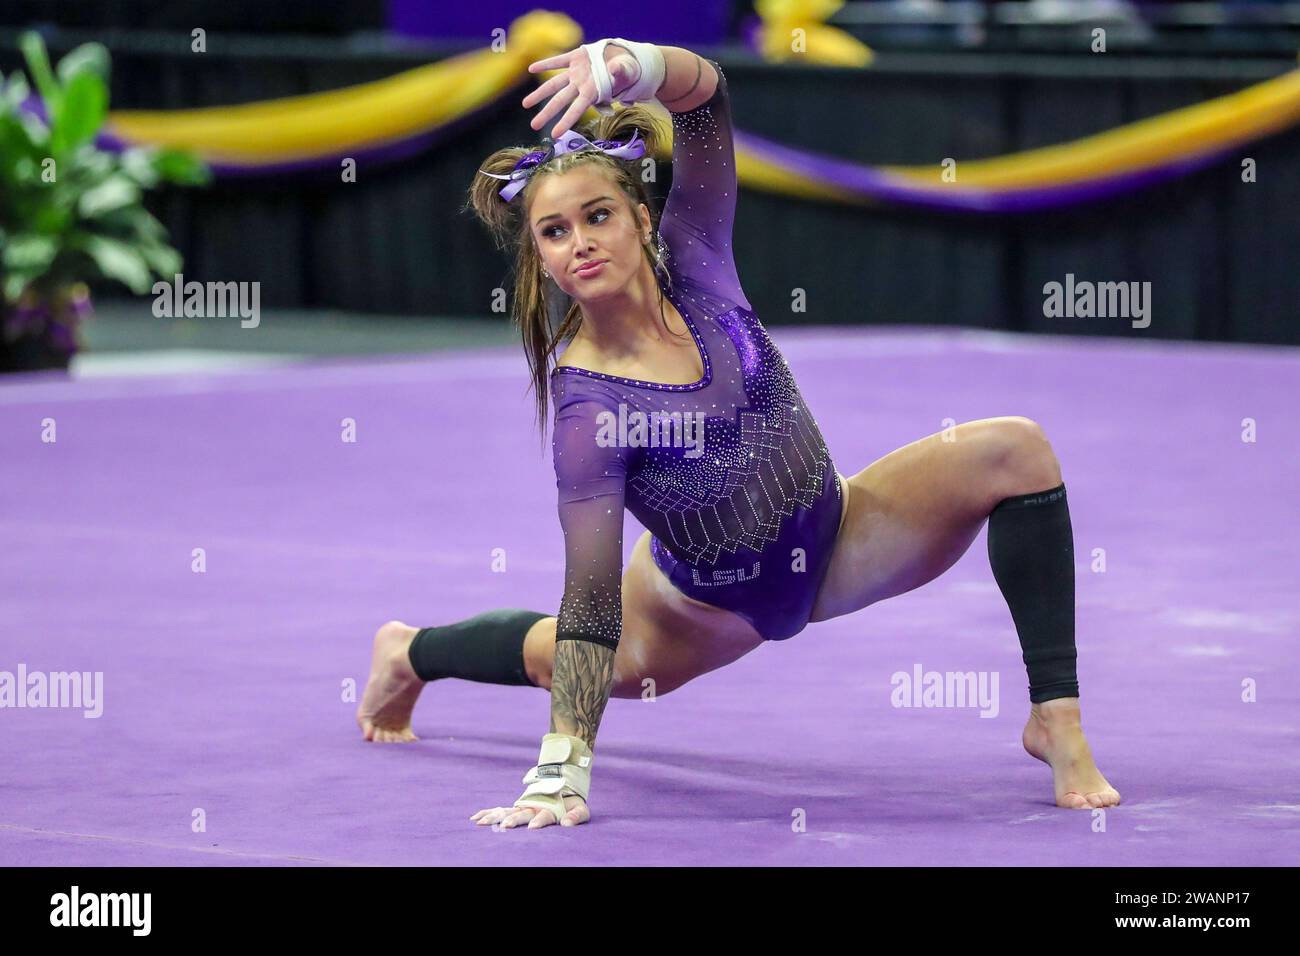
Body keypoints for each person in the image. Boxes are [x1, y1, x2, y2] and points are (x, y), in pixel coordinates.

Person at [356, 38, 1120, 829]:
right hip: (705, 610)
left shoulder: (699, 260)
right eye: (553, 232)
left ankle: (1054, 719)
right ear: (541, 260)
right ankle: (411, 651)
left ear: (640, 217)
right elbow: (589, 597)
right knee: (570, 655)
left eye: (597, 215)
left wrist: (631, 64)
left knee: (1015, 449)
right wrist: (562, 769)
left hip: (841, 531)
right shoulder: (587, 408)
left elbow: (707, 100)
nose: (579, 241)